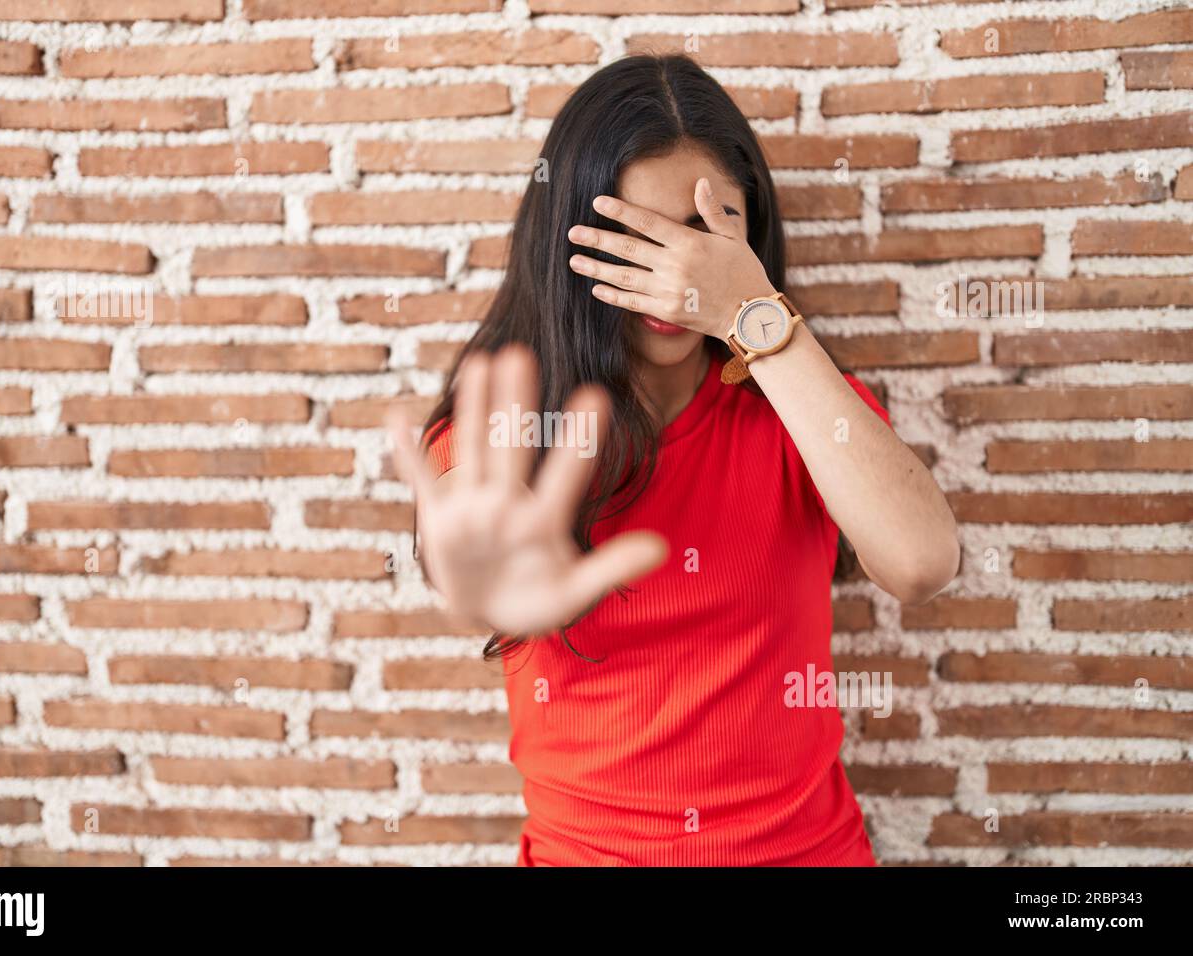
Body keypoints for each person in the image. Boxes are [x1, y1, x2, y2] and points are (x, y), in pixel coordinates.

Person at [386, 53, 960, 866]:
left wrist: (757, 320)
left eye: (703, 237)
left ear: (750, 240)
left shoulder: (799, 407)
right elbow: (476, 563)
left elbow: (923, 562)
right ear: (569, 245)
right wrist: (484, 582)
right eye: (632, 239)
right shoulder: (511, 428)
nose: (673, 280)